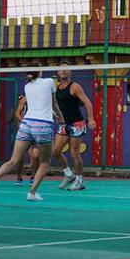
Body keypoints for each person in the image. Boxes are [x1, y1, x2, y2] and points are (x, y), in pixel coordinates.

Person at [0, 61, 64, 202]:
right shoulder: (50, 81)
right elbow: (54, 103)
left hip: (26, 124)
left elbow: (40, 102)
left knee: (13, 160)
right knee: (45, 161)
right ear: (39, 71)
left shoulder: (27, 86)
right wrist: (61, 118)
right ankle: (32, 193)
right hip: (43, 124)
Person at [53, 60, 96, 191]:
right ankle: (68, 174)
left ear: (70, 71)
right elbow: (56, 105)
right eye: (61, 69)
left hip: (76, 123)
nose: (63, 71)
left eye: (66, 69)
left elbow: (87, 102)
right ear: (57, 72)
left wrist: (91, 119)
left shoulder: (74, 86)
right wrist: (57, 114)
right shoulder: (56, 87)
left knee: (75, 154)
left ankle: (79, 180)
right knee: (55, 151)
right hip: (63, 124)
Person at [12, 95, 38, 186]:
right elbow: (11, 119)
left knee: (35, 155)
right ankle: (19, 177)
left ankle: (33, 177)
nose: (20, 102)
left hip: (34, 133)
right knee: (20, 157)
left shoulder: (34, 109)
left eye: (21, 100)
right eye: (19, 101)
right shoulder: (18, 111)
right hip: (23, 135)